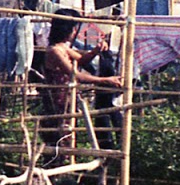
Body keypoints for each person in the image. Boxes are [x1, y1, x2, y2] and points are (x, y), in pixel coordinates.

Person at [40, 10, 123, 147]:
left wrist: (96, 51)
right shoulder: (54, 51)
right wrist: (105, 80)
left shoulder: (63, 48)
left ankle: (65, 162)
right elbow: (76, 75)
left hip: (66, 97)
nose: (74, 33)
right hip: (57, 99)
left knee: (68, 130)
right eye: (72, 30)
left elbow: (82, 60)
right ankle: (61, 163)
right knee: (61, 132)